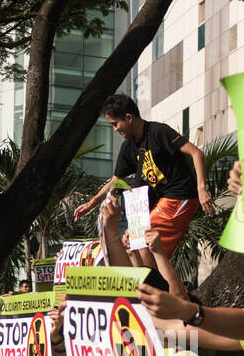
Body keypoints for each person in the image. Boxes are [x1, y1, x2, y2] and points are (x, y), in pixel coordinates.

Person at [73, 94, 215, 265]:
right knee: (134, 243)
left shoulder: (159, 132)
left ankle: (151, 280)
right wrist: (92, 203)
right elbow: (115, 180)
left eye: (115, 124)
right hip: (161, 201)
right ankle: (151, 284)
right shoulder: (128, 147)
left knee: (141, 238)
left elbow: (196, 153)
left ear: (128, 118)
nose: (115, 129)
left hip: (181, 196)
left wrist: (201, 189)